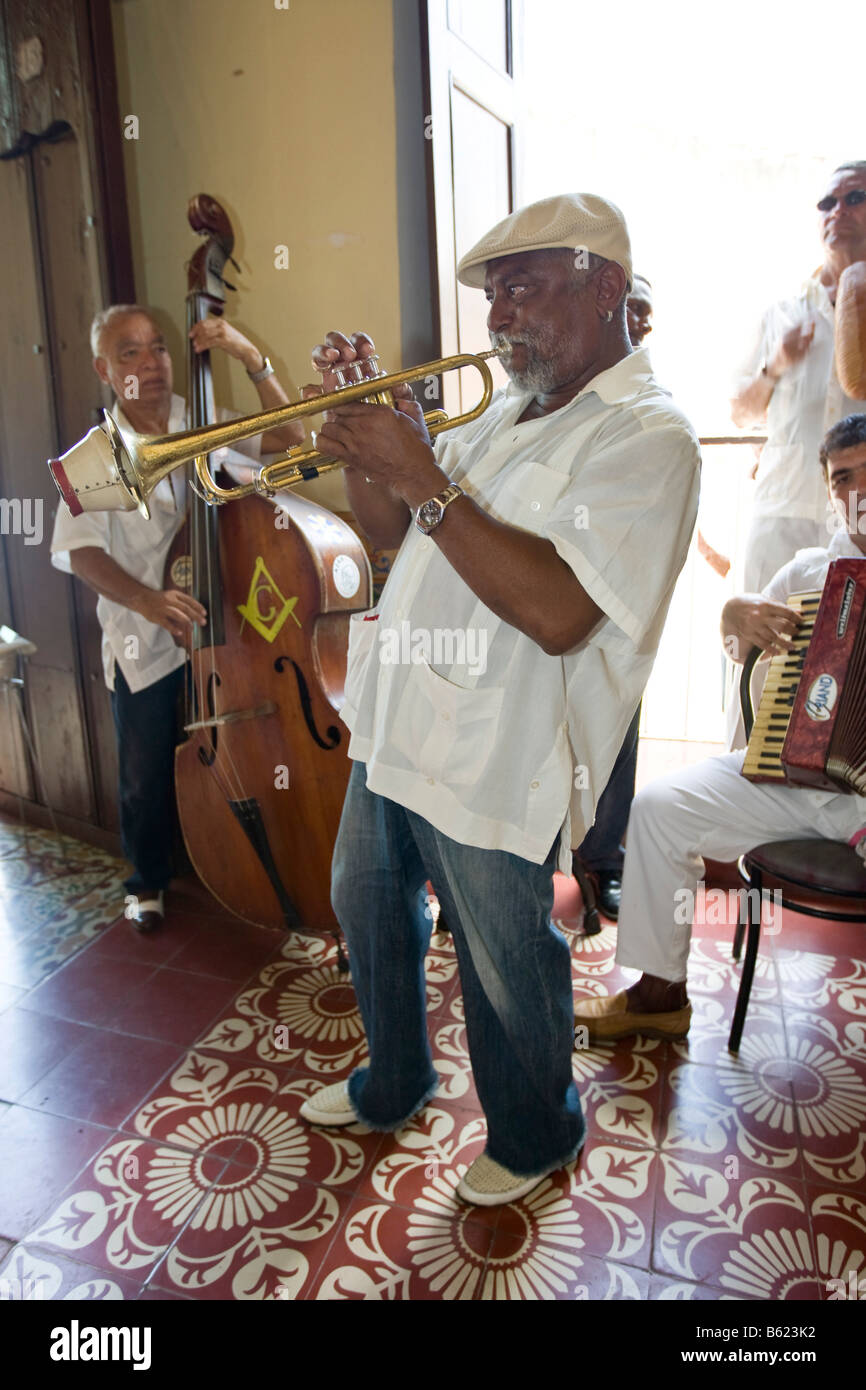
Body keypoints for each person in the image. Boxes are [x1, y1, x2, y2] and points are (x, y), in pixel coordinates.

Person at [295, 193, 700, 1207]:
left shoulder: (649, 439)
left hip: (496, 751)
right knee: (368, 906)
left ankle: (534, 1130)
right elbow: (390, 529)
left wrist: (423, 471)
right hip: (398, 722)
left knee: (506, 964)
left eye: (520, 287)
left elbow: (560, 611)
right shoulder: (504, 404)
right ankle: (392, 1082)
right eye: (490, 296)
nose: (499, 316)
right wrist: (368, 446)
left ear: (603, 284)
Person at [574, 414, 866, 1043]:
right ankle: (659, 993)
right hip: (795, 779)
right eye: (844, 477)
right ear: (829, 492)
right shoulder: (808, 574)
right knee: (658, 806)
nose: (858, 490)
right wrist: (731, 616)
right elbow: (742, 646)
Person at [50, 304, 303, 932]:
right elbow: (80, 551)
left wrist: (252, 357)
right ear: (103, 369)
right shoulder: (93, 456)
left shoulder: (204, 422)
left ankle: (235, 857)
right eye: (130, 352)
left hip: (226, 633)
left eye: (158, 348)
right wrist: (145, 600)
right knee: (146, 767)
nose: (151, 363)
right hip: (145, 643)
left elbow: (292, 441)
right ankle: (147, 881)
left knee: (241, 746)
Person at [730, 162, 866, 593]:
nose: (837, 211)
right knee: (758, 650)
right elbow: (739, 411)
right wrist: (776, 365)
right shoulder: (782, 311)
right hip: (779, 512)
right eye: (827, 202)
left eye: (854, 198)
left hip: (858, 518)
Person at [574, 272, 653, 920]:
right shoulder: (565, 389)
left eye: (649, 314)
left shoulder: (652, 406)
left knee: (620, 732)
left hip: (620, 596)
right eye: (633, 310)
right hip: (554, 586)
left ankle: (604, 861)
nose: (641, 323)